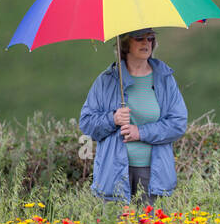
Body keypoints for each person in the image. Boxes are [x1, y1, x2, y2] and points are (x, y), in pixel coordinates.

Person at [78, 28, 188, 207]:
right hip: (114, 174)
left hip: (154, 175)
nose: (146, 43)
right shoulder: (106, 81)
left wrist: (140, 132)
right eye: (139, 38)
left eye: (150, 38)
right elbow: (87, 123)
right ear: (126, 43)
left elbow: (178, 124)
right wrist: (112, 119)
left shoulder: (165, 79)